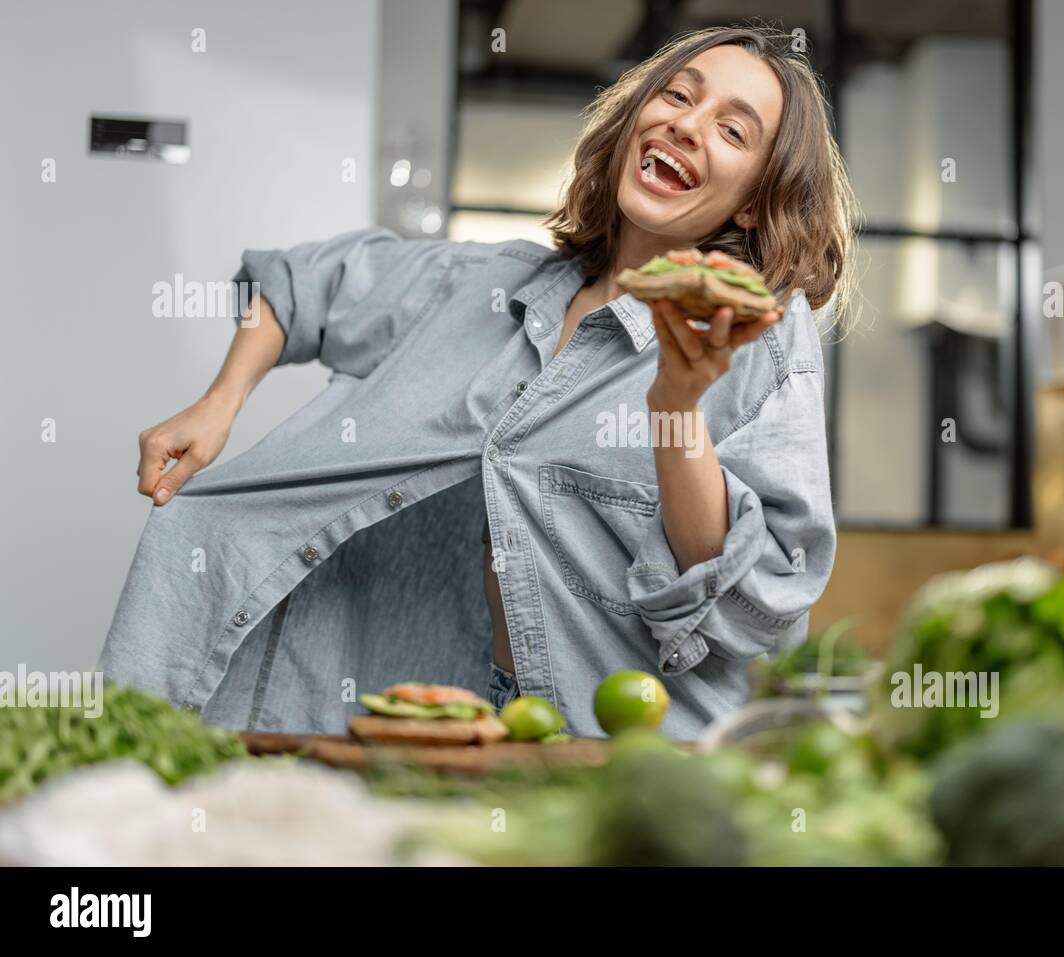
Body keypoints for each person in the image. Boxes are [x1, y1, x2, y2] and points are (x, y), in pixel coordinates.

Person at [100, 25, 856, 739]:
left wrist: (674, 408)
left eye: (733, 130)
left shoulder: (756, 337)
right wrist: (218, 403)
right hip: (429, 717)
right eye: (678, 95)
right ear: (635, 120)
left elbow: (746, 597)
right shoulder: (482, 284)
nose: (687, 125)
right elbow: (304, 283)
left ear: (757, 196)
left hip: (601, 741)